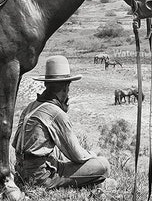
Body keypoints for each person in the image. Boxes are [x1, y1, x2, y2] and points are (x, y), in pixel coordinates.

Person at [13, 56, 110, 189]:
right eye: (68, 89)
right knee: (103, 165)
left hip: (21, 172)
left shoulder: (30, 107)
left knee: (59, 154)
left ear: (46, 85)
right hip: (41, 176)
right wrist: (93, 156)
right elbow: (77, 155)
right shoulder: (56, 113)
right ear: (66, 87)